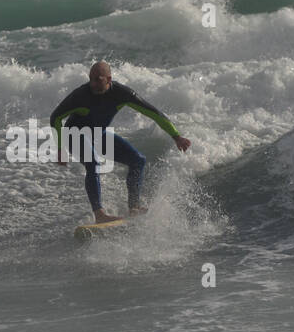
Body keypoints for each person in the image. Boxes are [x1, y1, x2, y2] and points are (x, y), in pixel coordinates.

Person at [49, 61, 191, 223]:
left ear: (109, 79)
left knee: (138, 160)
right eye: (91, 79)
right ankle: (100, 215)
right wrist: (60, 148)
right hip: (73, 135)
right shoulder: (81, 95)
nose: (93, 84)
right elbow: (56, 117)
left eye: (98, 79)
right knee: (93, 163)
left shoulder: (122, 94)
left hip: (97, 135)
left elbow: (154, 113)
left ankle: (134, 207)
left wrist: (176, 137)